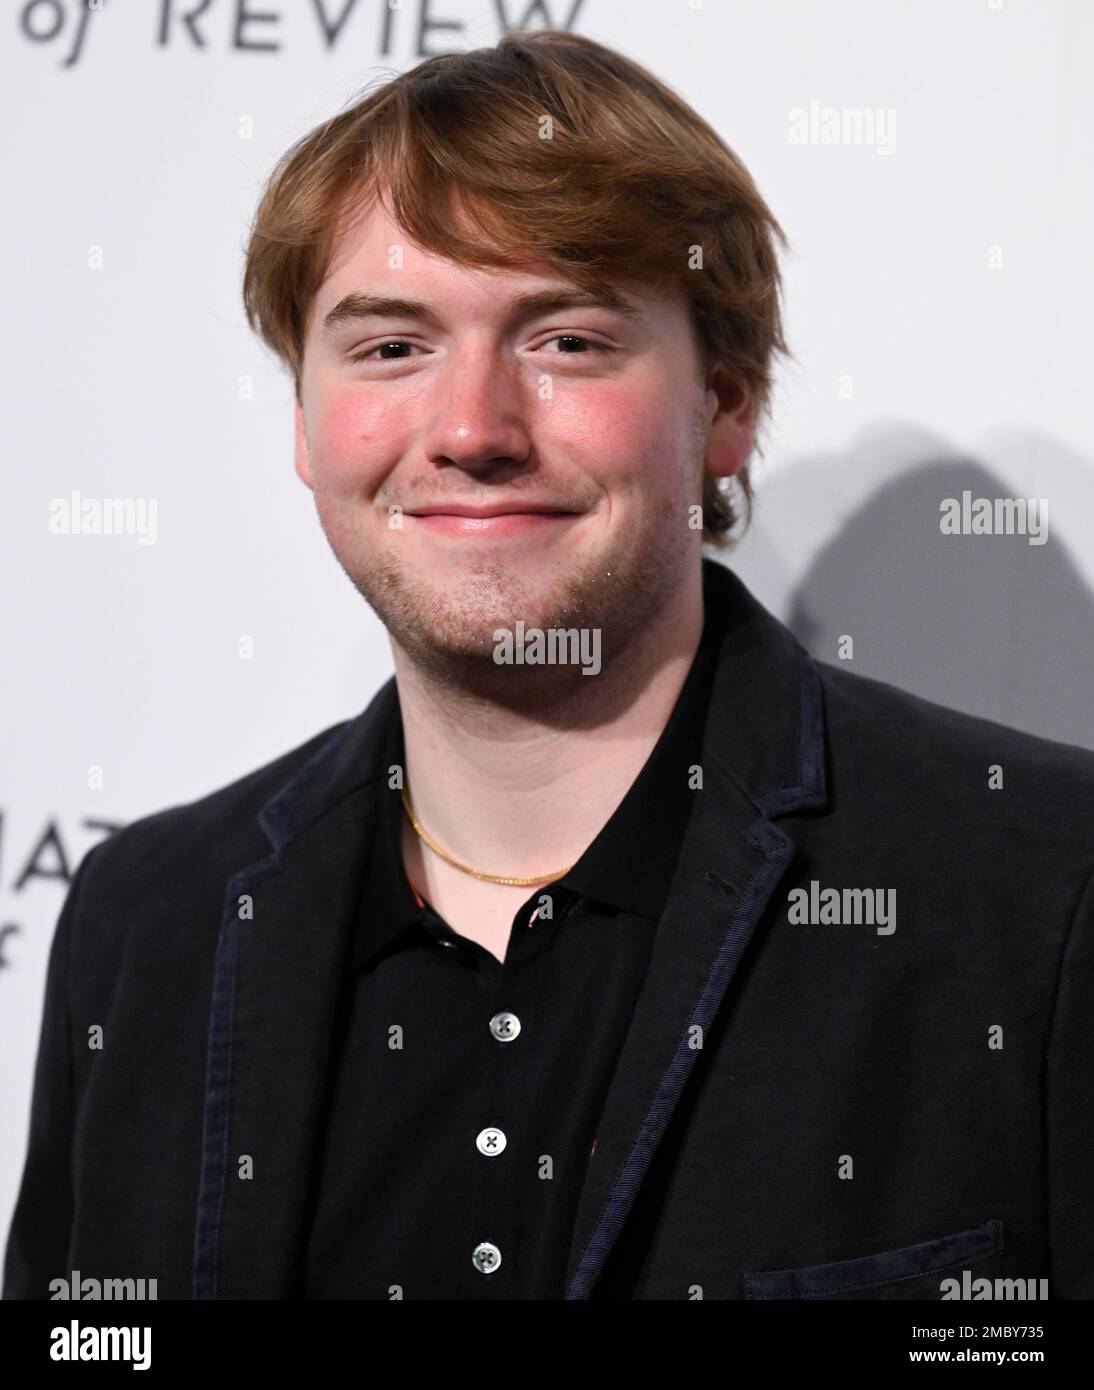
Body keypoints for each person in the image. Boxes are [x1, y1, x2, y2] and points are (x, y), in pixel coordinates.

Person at [5, 29, 1093, 1303]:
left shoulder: (1040, 896)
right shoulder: (149, 924)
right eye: (390, 346)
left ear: (726, 404)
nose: (470, 429)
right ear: (303, 422)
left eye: (565, 340)